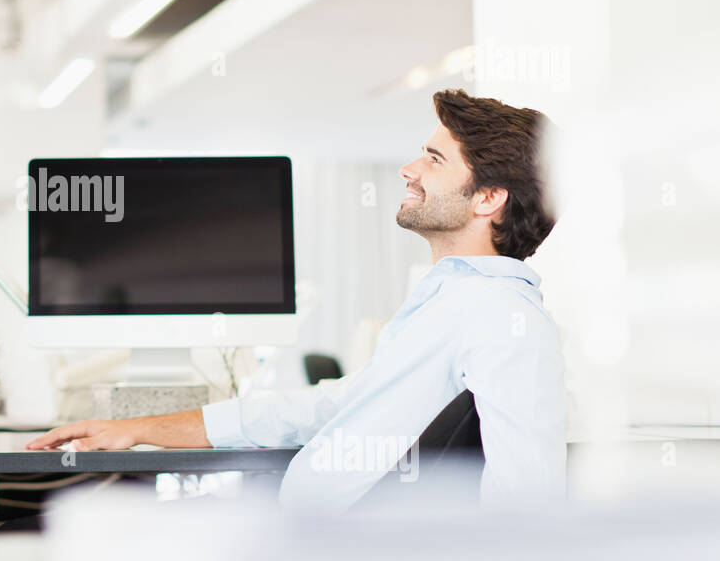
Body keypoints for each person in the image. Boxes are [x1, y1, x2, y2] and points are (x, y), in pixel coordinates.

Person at [28, 89, 567, 513]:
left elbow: (526, 500)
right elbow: (325, 407)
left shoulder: (505, 318)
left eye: (433, 159)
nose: (409, 169)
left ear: (490, 198)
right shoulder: (452, 303)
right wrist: (139, 428)